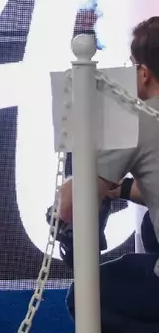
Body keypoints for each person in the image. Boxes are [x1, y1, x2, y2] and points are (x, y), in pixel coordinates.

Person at [58, 17, 159, 332]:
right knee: (149, 229)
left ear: (142, 72)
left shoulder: (139, 120)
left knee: (88, 295)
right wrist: (124, 190)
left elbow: (70, 207)